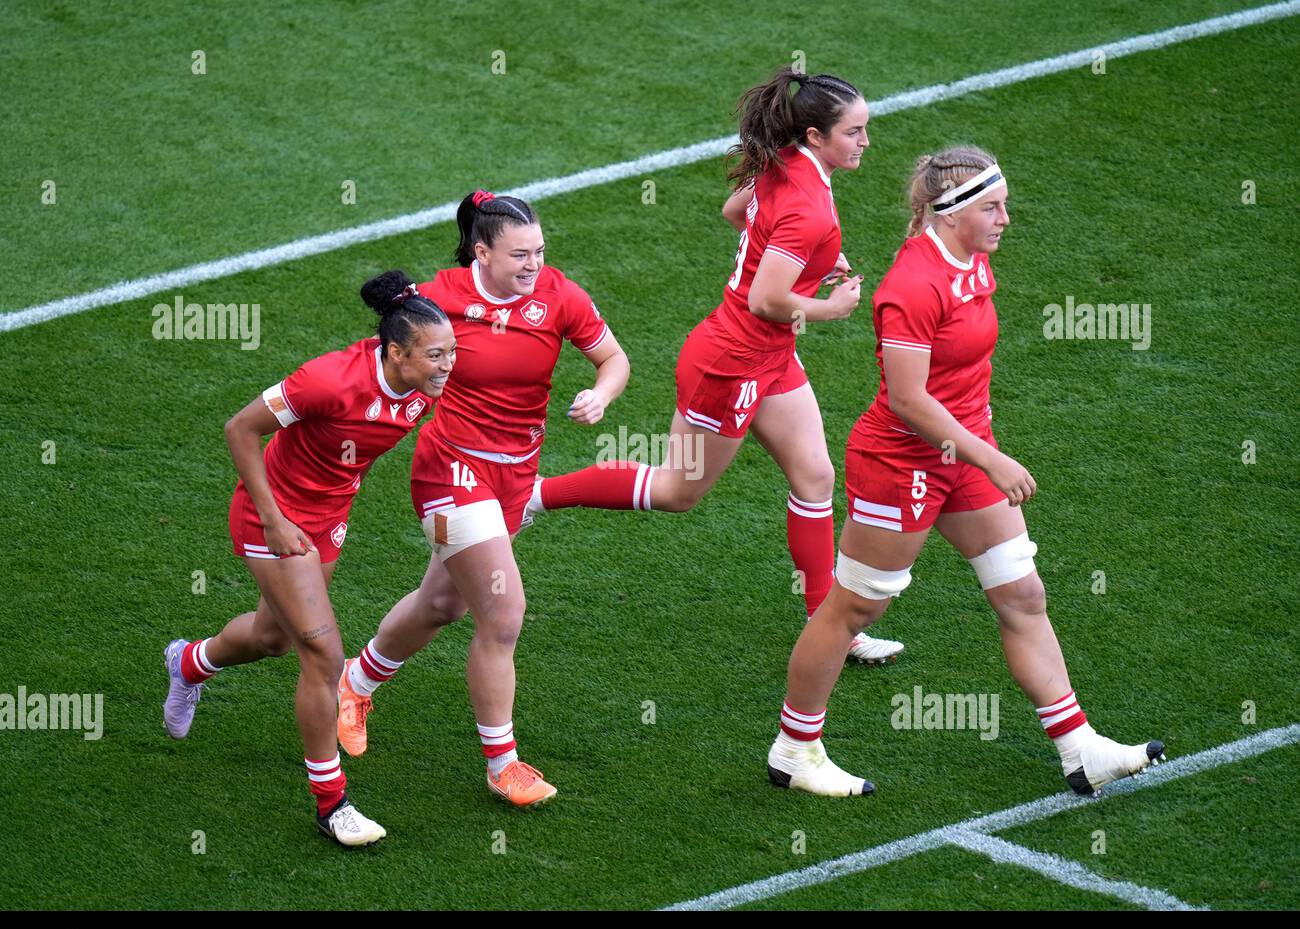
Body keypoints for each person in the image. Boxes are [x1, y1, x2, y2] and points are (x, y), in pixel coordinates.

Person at [767, 147, 1165, 796]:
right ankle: (795, 748)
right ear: (950, 215)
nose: (1006, 218)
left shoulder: (972, 260)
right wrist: (990, 454)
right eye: (992, 207)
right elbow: (908, 398)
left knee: (1022, 596)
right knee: (856, 610)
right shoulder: (911, 286)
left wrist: (978, 444)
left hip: (963, 455)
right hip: (903, 464)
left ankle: (1079, 746)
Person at [521, 68, 903, 663]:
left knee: (815, 478)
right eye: (854, 132)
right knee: (678, 491)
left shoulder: (790, 167)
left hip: (769, 355)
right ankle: (533, 496)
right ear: (816, 134)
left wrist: (810, 264)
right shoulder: (810, 206)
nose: (865, 142)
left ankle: (833, 628)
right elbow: (765, 299)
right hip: (733, 364)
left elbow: (737, 211)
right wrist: (829, 306)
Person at [335, 190, 630, 808]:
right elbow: (385, 345)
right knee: (503, 612)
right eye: (520, 254)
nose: (534, 264)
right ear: (482, 250)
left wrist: (602, 394)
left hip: (515, 477)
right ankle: (503, 764)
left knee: (441, 604)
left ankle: (353, 685)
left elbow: (613, 359)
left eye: (541, 251)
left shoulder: (560, 296)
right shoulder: (438, 296)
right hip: (451, 470)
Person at [162, 271, 456, 845]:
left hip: (327, 519)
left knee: (273, 638)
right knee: (323, 654)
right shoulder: (328, 381)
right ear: (395, 353)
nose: (448, 364)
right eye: (437, 355)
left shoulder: (425, 381)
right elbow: (240, 429)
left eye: (452, 352)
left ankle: (191, 662)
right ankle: (332, 803)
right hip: (273, 517)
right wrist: (272, 518)